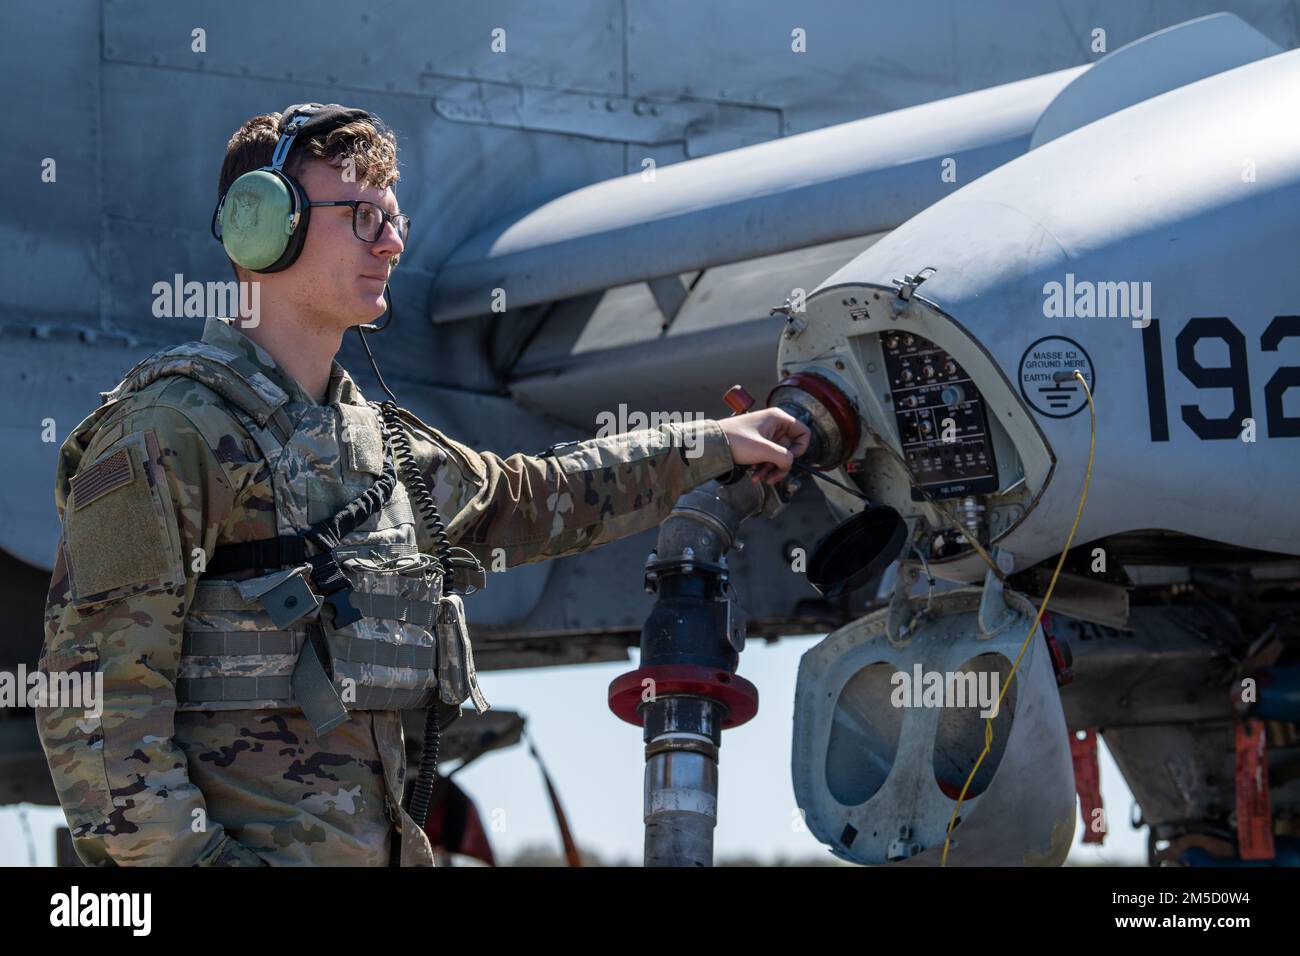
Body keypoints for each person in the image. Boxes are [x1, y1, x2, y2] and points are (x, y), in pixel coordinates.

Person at [35, 103, 810, 866]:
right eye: (364, 217)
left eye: (395, 218)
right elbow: (98, 711)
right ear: (263, 226)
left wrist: (714, 446)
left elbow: (530, 497)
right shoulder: (168, 434)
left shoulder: (376, 444)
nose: (394, 242)